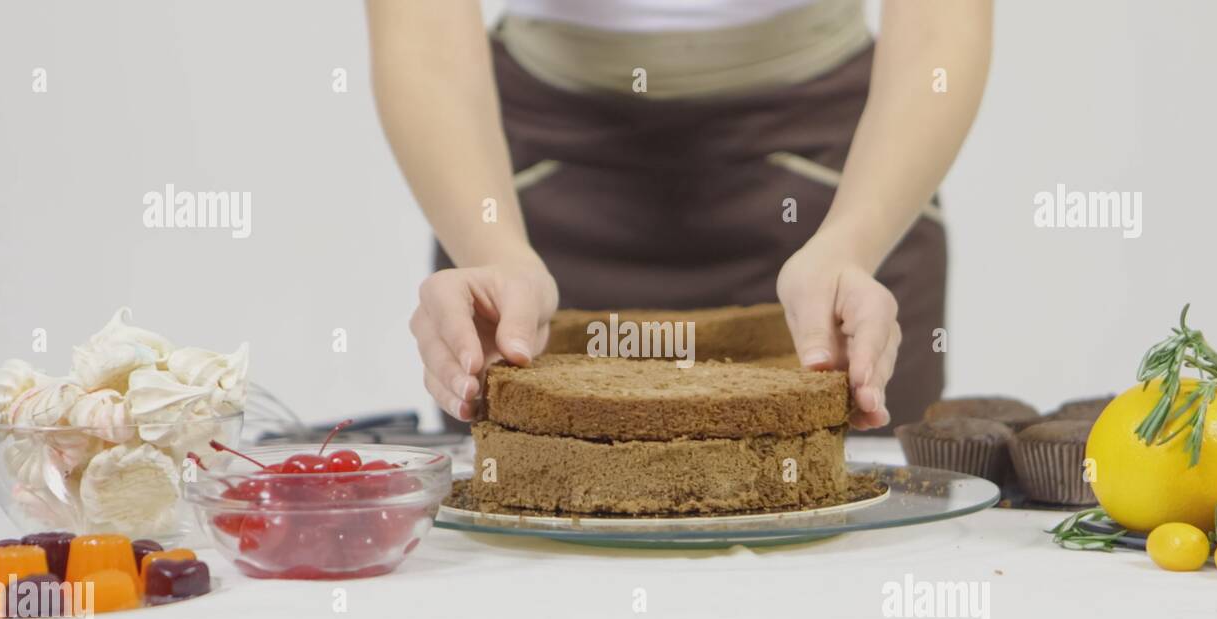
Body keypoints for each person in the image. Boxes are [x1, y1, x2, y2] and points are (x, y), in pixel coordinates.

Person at [368, 0, 992, 432]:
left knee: (855, 574)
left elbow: (942, 27)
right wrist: (493, 251)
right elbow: (422, 34)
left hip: (841, 180)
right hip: (530, 191)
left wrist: (852, 243)